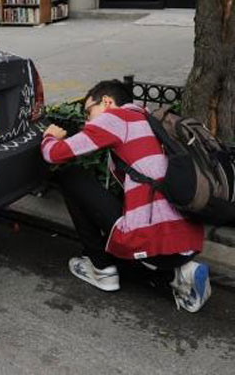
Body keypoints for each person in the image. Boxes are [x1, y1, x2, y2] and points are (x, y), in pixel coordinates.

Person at [42, 80, 210, 312]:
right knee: (125, 241)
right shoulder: (147, 118)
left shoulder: (116, 118)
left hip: (153, 240)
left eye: (89, 111)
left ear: (108, 102)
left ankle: (101, 269)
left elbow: (55, 154)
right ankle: (180, 274)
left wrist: (49, 136)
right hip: (188, 240)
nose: (87, 121)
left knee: (71, 176)